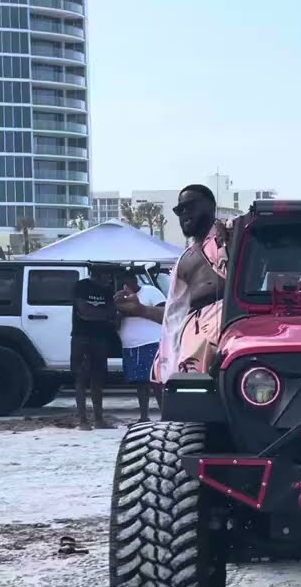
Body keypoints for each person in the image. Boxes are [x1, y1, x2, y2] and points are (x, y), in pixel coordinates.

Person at [153, 184, 234, 381]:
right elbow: (175, 315)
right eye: (179, 210)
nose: (184, 214)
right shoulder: (185, 259)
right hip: (188, 345)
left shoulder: (229, 237)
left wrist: (229, 233)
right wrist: (139, 309)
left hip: (225, 345)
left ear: (210, 207)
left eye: (190, 206)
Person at [115, 275, 166, 422]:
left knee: (155, 381)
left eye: (130, 282)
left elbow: (164, 313)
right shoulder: (120, 299)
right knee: (140, 383)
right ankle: (144, 416)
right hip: (131, 345)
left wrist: (138, 309)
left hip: (150, 342)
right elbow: (115, 322)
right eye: (124, 284)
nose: (127, 286)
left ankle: (164, 414)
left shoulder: (150, 291)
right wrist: (118, 308)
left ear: (136, 281)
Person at [71, 269, 116, 430]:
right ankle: (82, 420)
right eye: (106, 275)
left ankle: (99, 419)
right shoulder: (81, 286)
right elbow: (83, 311)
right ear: (95, 274)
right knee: (81, 378)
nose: (109, 278)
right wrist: (103, 315)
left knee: (97, 379)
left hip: (100, 338)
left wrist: (96, 314)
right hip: (81, 337)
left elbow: (111, 312)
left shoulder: (107, 291)